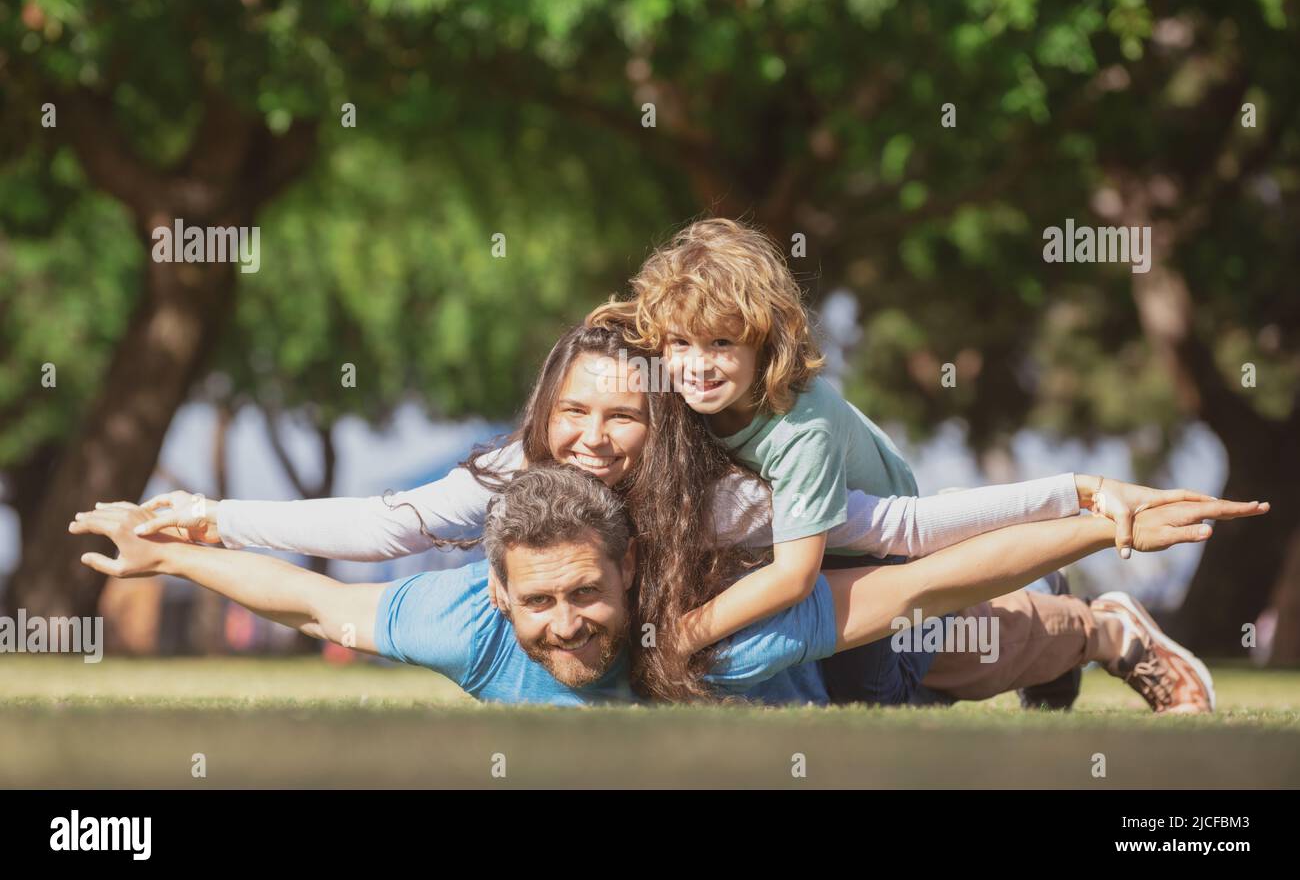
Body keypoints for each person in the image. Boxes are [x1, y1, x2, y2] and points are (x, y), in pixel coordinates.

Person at [130, 323, 1217, 707]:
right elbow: (364, 547)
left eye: (621, 415)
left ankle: (1098, 628)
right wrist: (205, 526)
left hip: (795, 602)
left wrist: (1088, 502)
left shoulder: (724, 492)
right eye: (573, 414)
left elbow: (902, 544)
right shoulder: (509, 487)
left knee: (906, 666)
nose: (594, 437)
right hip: (732, 634)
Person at [584, 219, 1200, 700]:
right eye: (683, 344)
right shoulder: (674, 389)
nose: (699, 363)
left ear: (764, 343)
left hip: (877, 543)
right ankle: (1037, 602)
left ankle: (1081, 626)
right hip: (798, 540)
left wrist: (679, 637)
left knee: (882, 690)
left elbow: (799, 576)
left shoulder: (801, 426)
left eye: (722, 342)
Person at [71, 465, 1267, 711]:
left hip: (842, 670)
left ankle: (1096, 631)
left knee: (946, 646)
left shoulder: (695, 641)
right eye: (535, 601)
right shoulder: (466, 623)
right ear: (491, 588)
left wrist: (1082, 517)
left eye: (583, 594)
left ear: (630, 574)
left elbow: (922, 566)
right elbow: (316, 600)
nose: (561, 622)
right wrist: (171, 551)